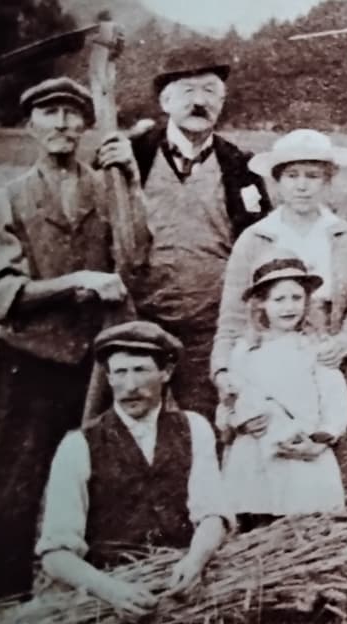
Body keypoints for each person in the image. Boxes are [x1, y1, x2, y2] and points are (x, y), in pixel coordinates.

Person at [0, 78, 144, 603]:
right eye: (49, 112)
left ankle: (98, 592)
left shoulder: (108, 187)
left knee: (101, 474)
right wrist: (77, 281)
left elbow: (136, 259)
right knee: (18, 477)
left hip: (98, 360)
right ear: (30, 124)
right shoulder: (7, 199)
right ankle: (5, 599)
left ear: (85, 125)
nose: (61, 124)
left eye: (72, 114)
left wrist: (131, 182)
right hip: (31, 360)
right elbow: (2, 293)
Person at [35, 321, 230, 614]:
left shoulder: (194, 428)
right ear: (108, 378)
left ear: (166, 373)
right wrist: (110, 591)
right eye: (120, 372)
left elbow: (212, 514)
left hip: (182, 587)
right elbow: (56, 554)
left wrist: (195, 561)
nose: (130, 386)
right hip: (109, 597)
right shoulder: (78, 445)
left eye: (140, 370)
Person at [124, 45, 273, 417]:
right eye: (188, 91)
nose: (199, 102)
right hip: (139, 318)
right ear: (165, 101)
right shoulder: (132, 156)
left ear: (222, 102)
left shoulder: (241, 167)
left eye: (209, 91)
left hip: (211, 325)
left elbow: (258, 243)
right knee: (135, 418)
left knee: (205, 422)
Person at [213, 129, 347, 396]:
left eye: (313, 176)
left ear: (328, 181)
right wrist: (223, 369)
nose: (302, 186)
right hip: (266, 367)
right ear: (277, 181)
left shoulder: (345, 237)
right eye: (292, 175)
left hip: (328, 365)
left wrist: (343, 343)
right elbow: (233, 316)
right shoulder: (256, 238)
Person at [217, 258, 347, 531]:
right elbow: (230, 401)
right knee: (257, 524)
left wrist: (320, 440)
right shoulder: (245, 351)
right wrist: (239, 421)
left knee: (306, 525)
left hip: (303, 453)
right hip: (256, 456)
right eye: (279, 299)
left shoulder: (315, 348)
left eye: (296, 298)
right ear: (261, 304)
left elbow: (335, 400)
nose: (289, 307)